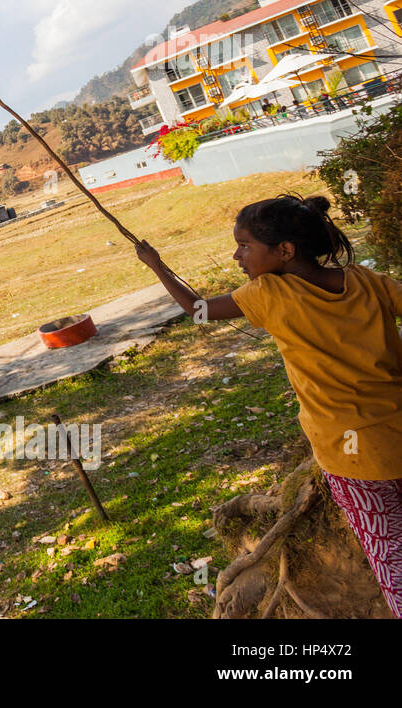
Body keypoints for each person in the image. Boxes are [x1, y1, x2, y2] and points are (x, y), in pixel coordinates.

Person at [136, 193, 402, 617]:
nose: (237, 255)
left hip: (351, 457)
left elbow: (197, 310)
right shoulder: (364, 279)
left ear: (286, 251)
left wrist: (155, 264)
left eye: (245, 246)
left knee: (392, 559)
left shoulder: (269, 293)